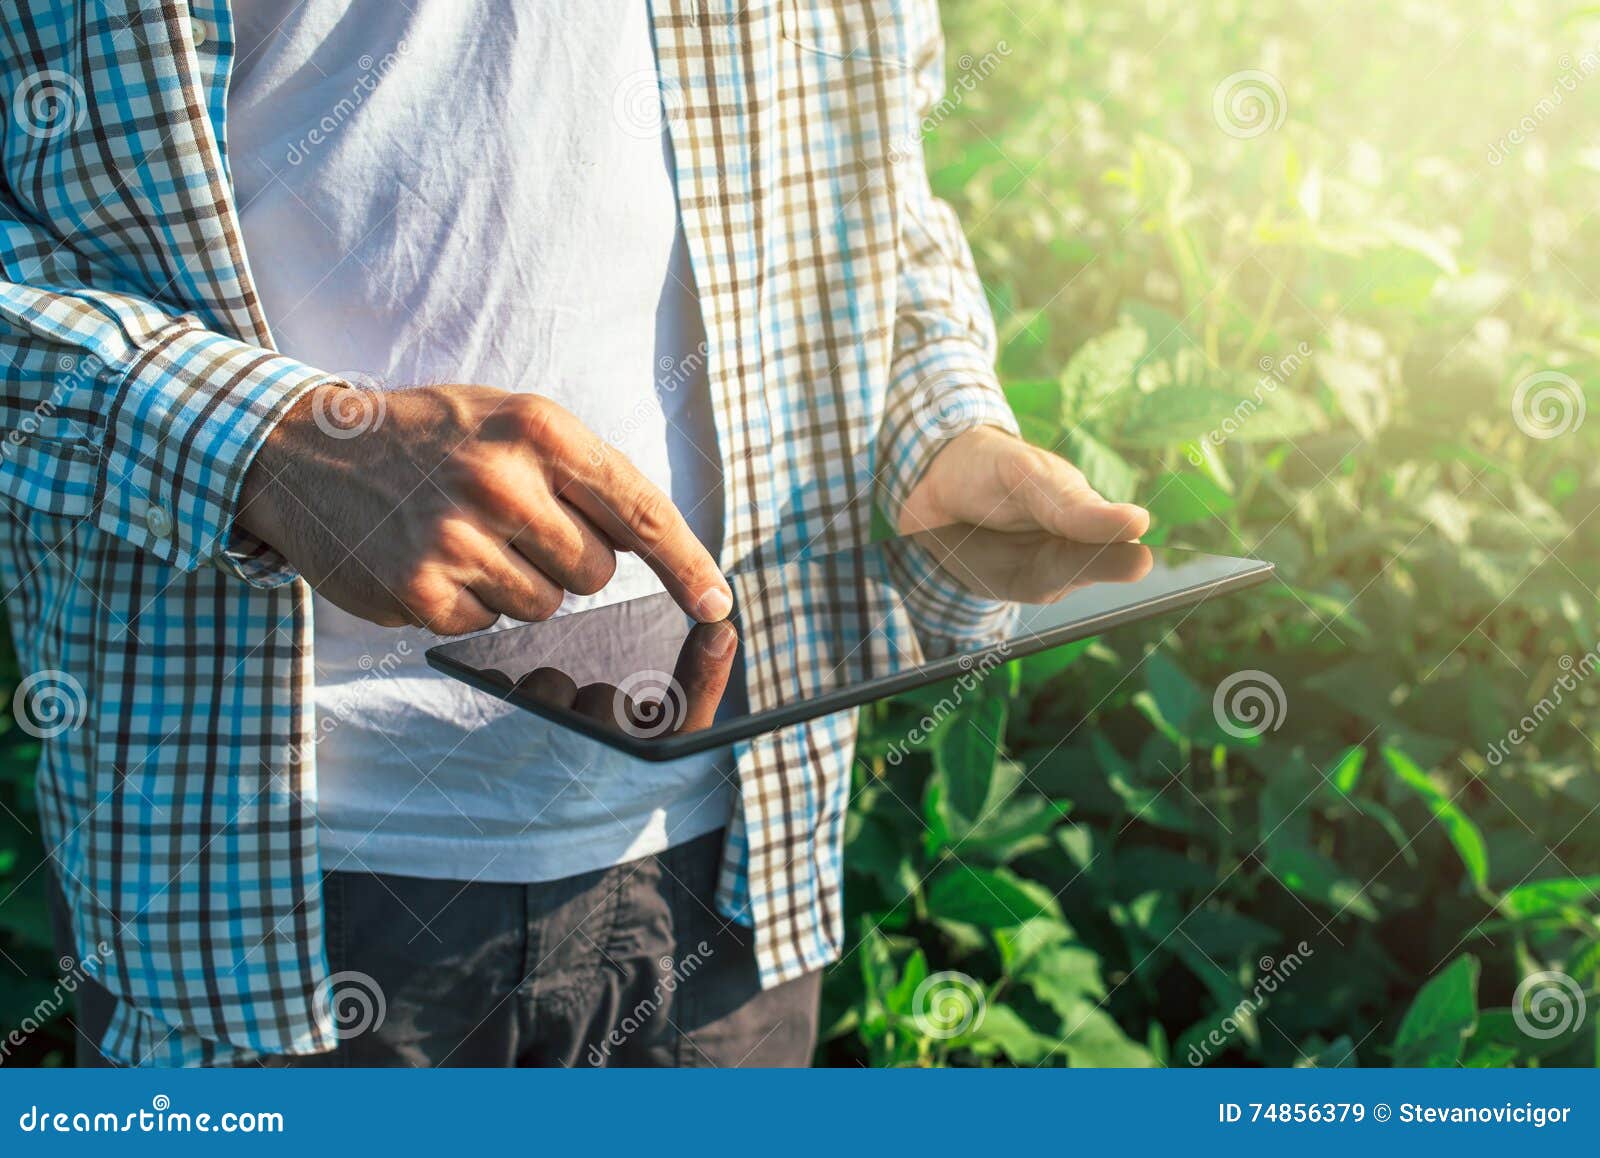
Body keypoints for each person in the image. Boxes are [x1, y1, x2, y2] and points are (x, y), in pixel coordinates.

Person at [2, 0, 1147, 1067]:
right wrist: (264, 446)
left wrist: (935, 428)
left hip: (735, 864)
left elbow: (869, 185)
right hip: (262, 894)